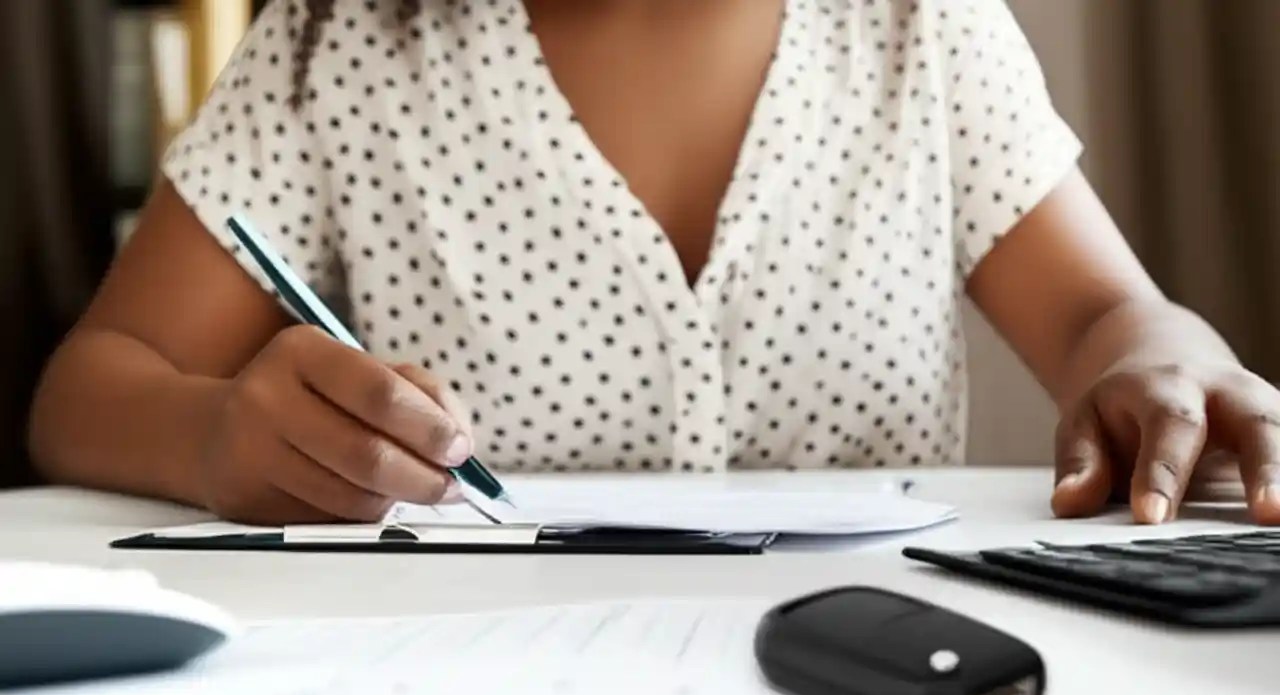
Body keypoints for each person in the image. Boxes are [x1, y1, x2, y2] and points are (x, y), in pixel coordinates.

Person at [28, 0, 1280, 526]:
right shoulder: (337, 42)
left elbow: (1106, 315)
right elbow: (92, 384)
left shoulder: (920, 26)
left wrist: (1163, 353)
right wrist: (210, 441)